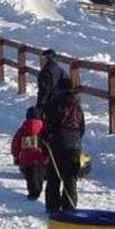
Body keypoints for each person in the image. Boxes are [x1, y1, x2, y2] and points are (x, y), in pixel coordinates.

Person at [42, 79, 85, 212]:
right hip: (74, 144)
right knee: (70, 177)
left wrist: (45, 140)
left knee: (54, 176)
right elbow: (82, 127)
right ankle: (69, 206)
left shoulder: (54, 103)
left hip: (57, 142)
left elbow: (46, 123)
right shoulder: (77, 105)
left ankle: (52, 206)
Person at [10, 106, 49, 201]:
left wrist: (15, 154)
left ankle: (32, 192)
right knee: (39, 174)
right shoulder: (43, 128)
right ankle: (38, 188)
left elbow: (16, 142)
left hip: (26, 157)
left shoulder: (23, 128)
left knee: (30, 176)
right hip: (40, 156)